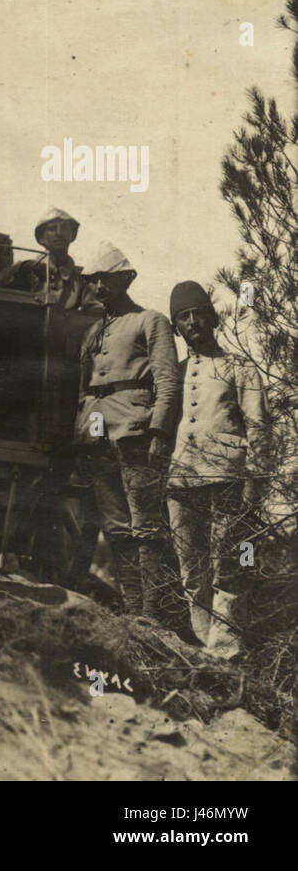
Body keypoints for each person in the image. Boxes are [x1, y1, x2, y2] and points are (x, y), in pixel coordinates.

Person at [74, 241, 180, 622]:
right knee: (116, 529)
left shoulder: (149, 320)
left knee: (147, 528)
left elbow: (167, 381)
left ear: (126, 278)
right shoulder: (92, 332)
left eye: (108, 279)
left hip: (136, 433)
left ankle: (153, 615)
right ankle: (134, 612)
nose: (100, 287)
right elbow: (84, 390)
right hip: (97, 435)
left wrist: (160, 433)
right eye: (95, 280)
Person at [165, 281, 267, 659]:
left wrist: (253, 483)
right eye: (183, 318)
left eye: (198, 314)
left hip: (226, 478)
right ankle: (204, 645)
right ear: (176, 327)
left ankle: (227, 650)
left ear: (211, 317)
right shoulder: (175, 373)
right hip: (181, 479)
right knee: (190, 568)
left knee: (228, 564)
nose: (192, 322)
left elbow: (258, 427)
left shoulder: (239, 367)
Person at [0, 207, 101, 310]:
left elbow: (93, 311)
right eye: (52, 229)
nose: (59, 233)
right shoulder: (26, 270)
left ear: (72, 235)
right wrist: (20, 268)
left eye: (64, 228)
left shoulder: (79, 281)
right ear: (41, 238)